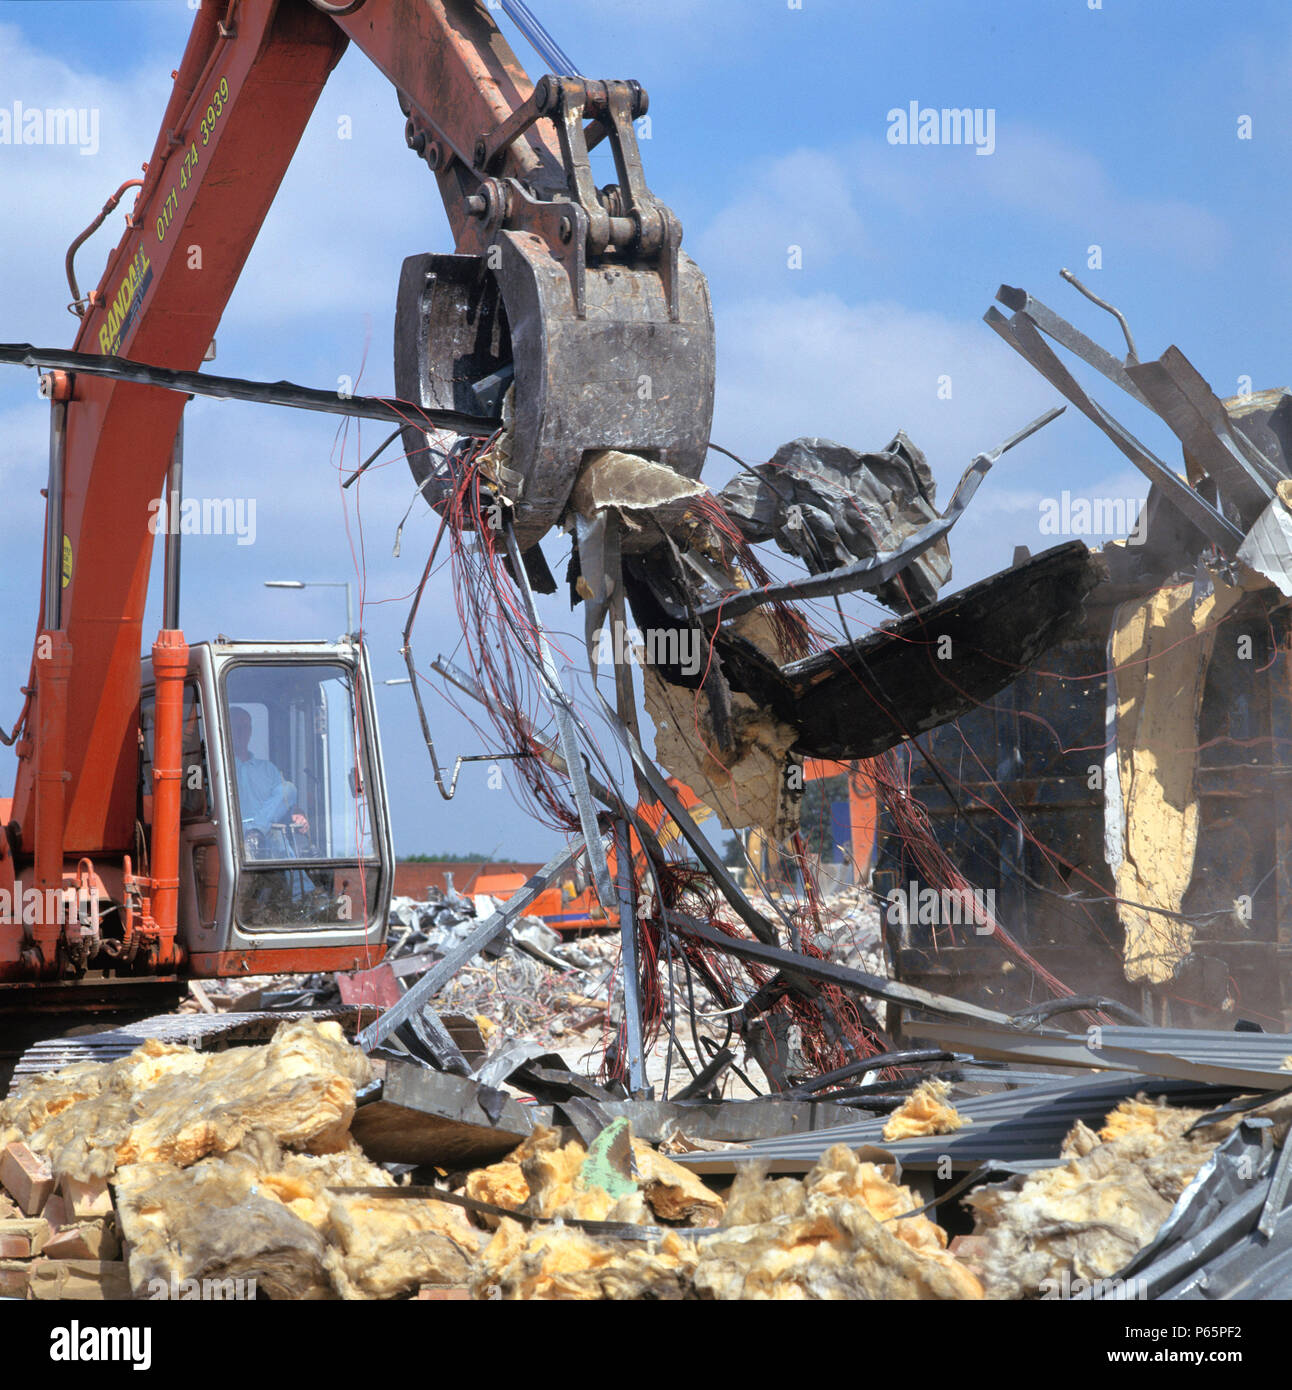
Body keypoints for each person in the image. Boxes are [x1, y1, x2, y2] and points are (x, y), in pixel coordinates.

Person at [229, 706, 309, 850]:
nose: (241, 732)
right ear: (226, 730)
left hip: (270, 840)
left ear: (250, 731)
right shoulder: (221, 767)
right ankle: (254, 833)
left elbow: (285, 803)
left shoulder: (268, 769)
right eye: (236, 727)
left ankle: (255, 832)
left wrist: (297, 814)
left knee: (289, 788)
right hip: (233, 839)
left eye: (246, 727)